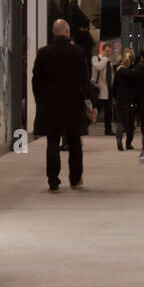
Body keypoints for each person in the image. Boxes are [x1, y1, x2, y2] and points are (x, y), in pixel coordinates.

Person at [32, 19, 94, 191]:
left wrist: (40, 100)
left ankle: (53, 181)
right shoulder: (78, 52)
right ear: (67, 31)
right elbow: (84, 81)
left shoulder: (44, 52)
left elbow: (36, 80)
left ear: (54, 32)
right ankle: (75, 179)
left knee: (52, 142)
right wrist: (90, 103)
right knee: (74, 142)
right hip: (74, 105)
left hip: (50, 105)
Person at [111, 48, 138, 150]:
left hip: (120, 100)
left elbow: (114, 86)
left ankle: (119, 138)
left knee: (120, 121)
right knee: (131, 123)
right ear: (132, 60)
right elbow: (136, 87)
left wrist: (115, 97)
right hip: (130, 101)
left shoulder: (118, 71)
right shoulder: (134, 73)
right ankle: (128, 143)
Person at [91, 43, 116, 136]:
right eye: (107, 51)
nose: (108, 53)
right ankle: (85, 126)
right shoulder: (96, 58)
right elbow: (98, 67)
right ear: (103, 50)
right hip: (98, 88)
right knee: (95, 109)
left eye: (110, 51)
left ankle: (108, 130)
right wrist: (105, 59)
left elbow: (111, 74)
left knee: (109, 111)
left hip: (108, 88)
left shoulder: (109, 61)